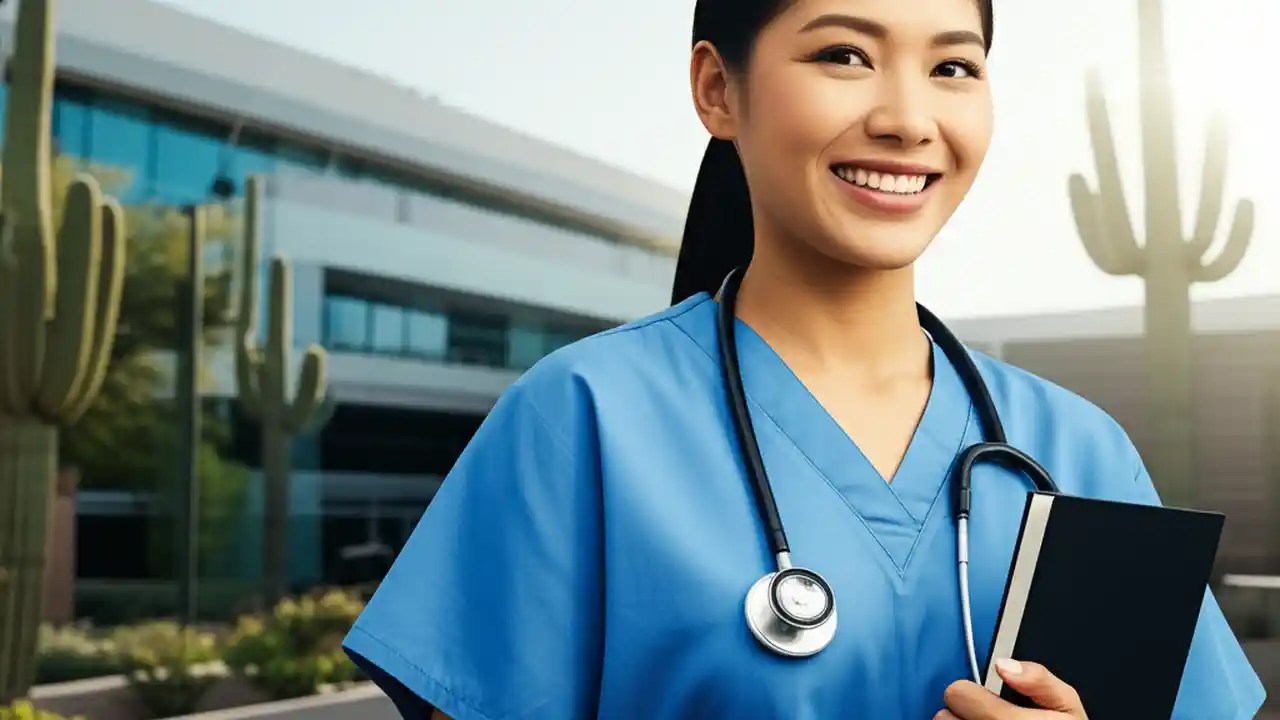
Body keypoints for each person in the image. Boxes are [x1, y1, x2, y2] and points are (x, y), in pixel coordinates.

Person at [342, 0, 1268, 717]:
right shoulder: (583, 417)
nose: (908, 119)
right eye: (844, 55)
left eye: (953, 65)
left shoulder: (1080, 450)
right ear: (717, 89)